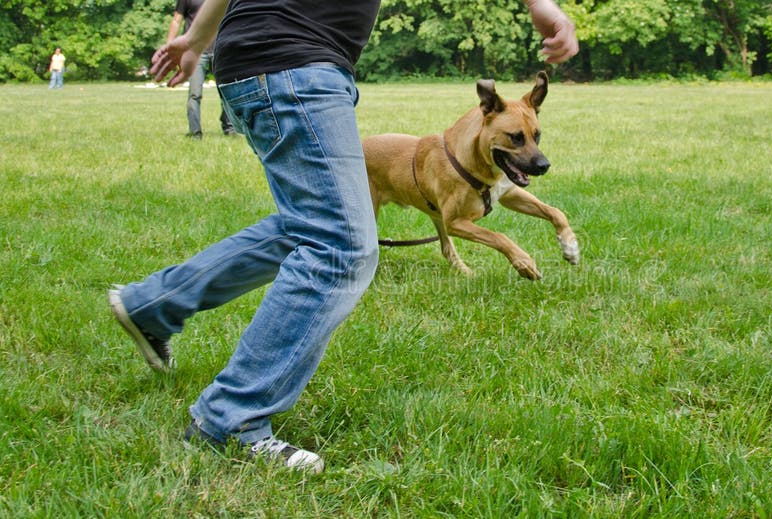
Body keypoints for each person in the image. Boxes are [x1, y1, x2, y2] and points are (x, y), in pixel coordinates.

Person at [109, 0, 577, 473]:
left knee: (311, 225)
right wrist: (541, 6)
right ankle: (230, 417)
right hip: (294, 65)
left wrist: (197, 38)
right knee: (341, 244)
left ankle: (153, 305)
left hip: (260, 60)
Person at [167, 0, 235, 138]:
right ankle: (195, 132)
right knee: (195, 94)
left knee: (226, 91)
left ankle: (230, 128)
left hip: (219, 49)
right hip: (196, 52)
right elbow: (176, 20)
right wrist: (169, 47)